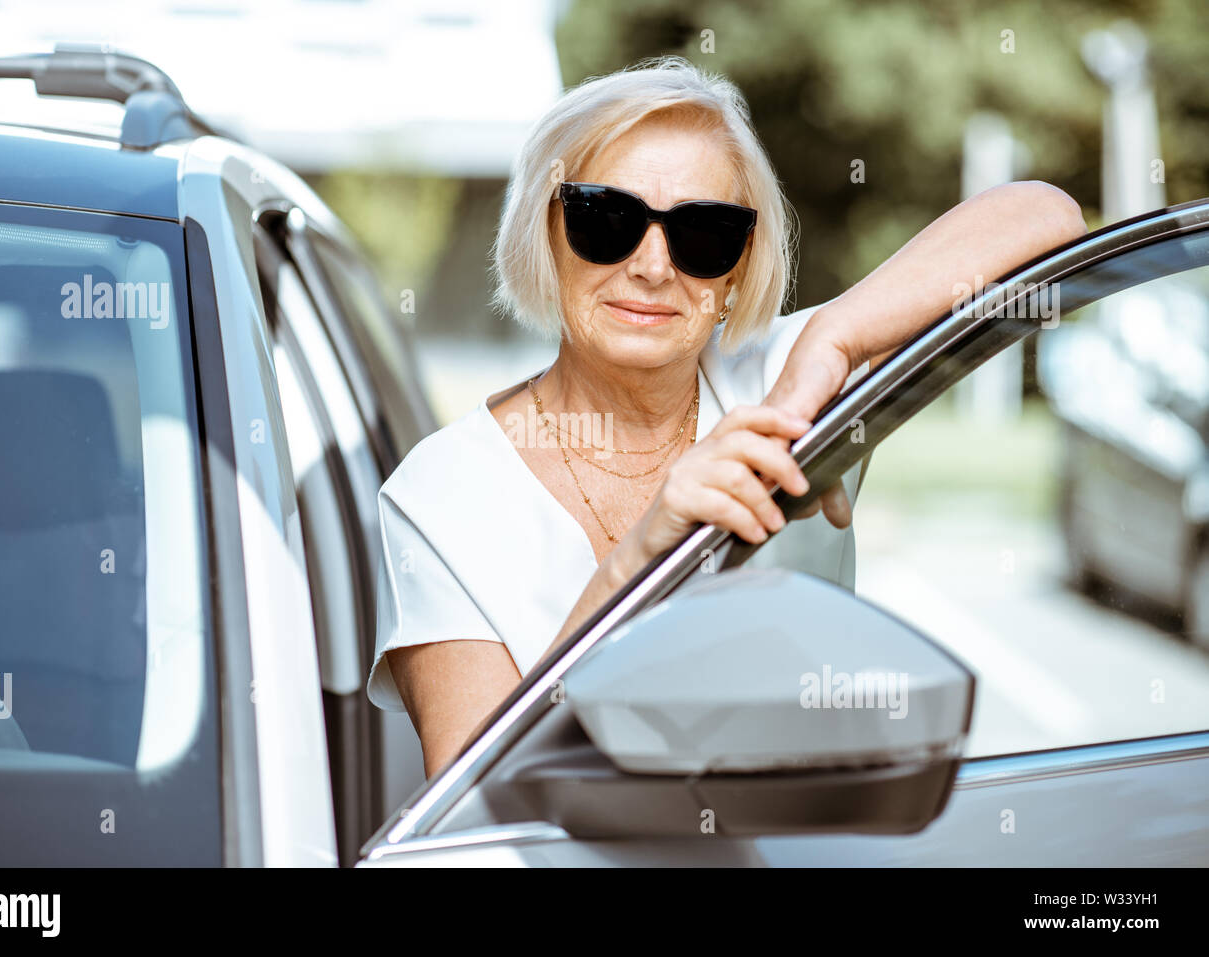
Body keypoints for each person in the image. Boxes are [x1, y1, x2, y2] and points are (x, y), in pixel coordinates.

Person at [367, 56, 1086, 777]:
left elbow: (1046, 219)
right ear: (545, 229)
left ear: (740, 263)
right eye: (606, 218)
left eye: (704, 233)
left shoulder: (787, 387)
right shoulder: (441, 493)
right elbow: (467, 809)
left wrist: (833, 340)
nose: (652, 266)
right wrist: (641, 558)